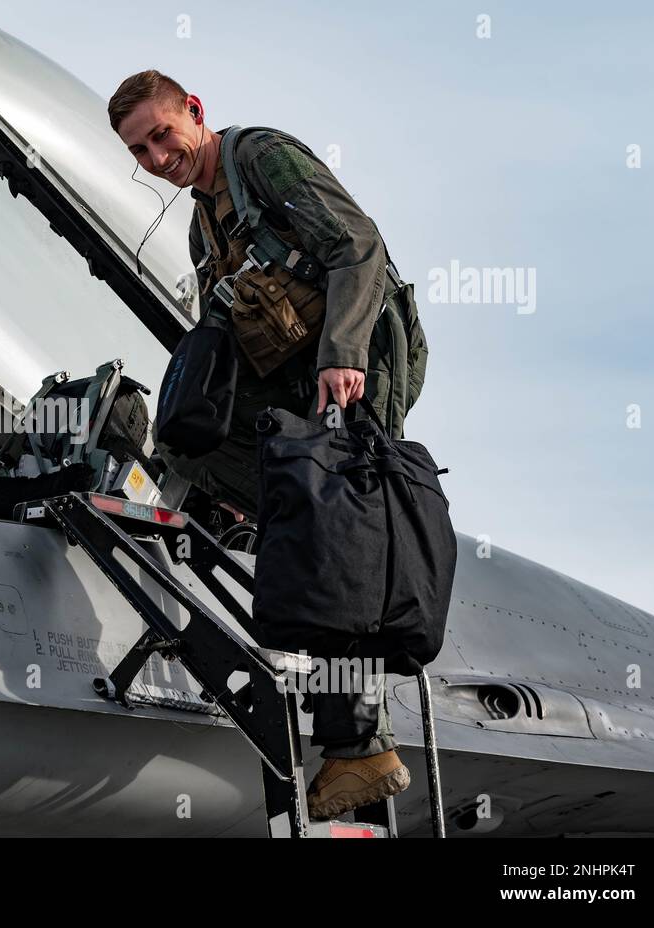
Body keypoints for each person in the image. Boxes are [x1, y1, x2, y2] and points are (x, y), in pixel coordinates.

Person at [109, 69, 412, 820]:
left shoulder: (261, 159)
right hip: (294, 380)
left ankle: (363, 746)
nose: (155, 156)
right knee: (207, 457)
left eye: (161, 134)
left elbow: (358, 248)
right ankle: (347, 737)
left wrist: (342, 350)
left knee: (333, 530)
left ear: (194, 114)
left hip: (361, 357)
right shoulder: (199, 226)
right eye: (138, 150)